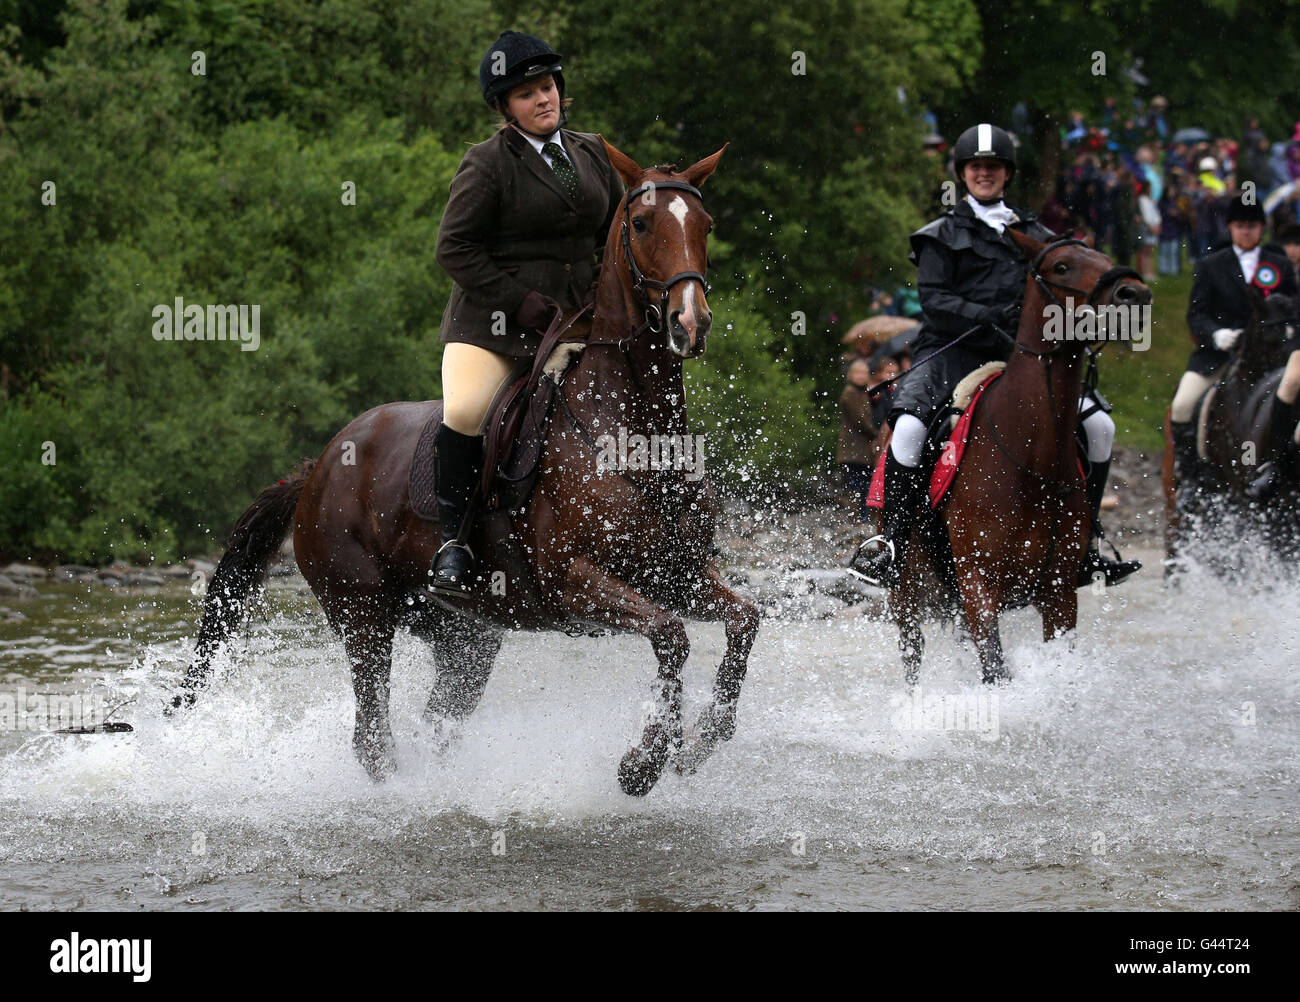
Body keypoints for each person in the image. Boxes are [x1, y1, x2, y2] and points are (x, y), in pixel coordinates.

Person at [849, 123, 1140, 589]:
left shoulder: (1039, 236)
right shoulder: (939, 234)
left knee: (1100, 426)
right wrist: (990, 314)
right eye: (976, 167)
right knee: (907, 431)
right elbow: (936, 301)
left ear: (1007, 173)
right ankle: (892, 546)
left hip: (1023, 358)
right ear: (963, 173)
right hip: (954, 352)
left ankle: (1087, 543)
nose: (984, 174)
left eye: (993, 167)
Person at [430, 31, 623, 594]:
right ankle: (453, 544)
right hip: (495, 326)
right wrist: (519, 302)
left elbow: (615, 234)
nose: (543, 100)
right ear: (505, 107)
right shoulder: (487, 164)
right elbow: (455, 248)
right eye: (525, 94)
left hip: (581, 321)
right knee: (465, 409)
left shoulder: (590, 152)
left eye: (547, 87)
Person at [1170, 193, 1299, 498]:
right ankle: (1189, 476)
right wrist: (1217, 334)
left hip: (1271, 355)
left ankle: (1278, 466)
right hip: (1220, 354)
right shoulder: (1211, 265)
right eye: (1241, 226)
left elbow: (1293, 308)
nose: (1247, 232)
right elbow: (1196, 314)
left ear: (1261, 229)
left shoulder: (1279, 264)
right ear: (1230, 228)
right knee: (1182, 405)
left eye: (1253, 226)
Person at [837, 358, 880, 523]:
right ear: (851, 375)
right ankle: (860, 520)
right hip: (854, 450)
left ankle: (862, 519)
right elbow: (860, 421)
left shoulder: (861, 393)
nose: (861, 376)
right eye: (858, 373)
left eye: (864, 373)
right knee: (859, 487)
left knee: (863, 486)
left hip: (859, 450)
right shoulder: (851, 393)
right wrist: (876, 435)